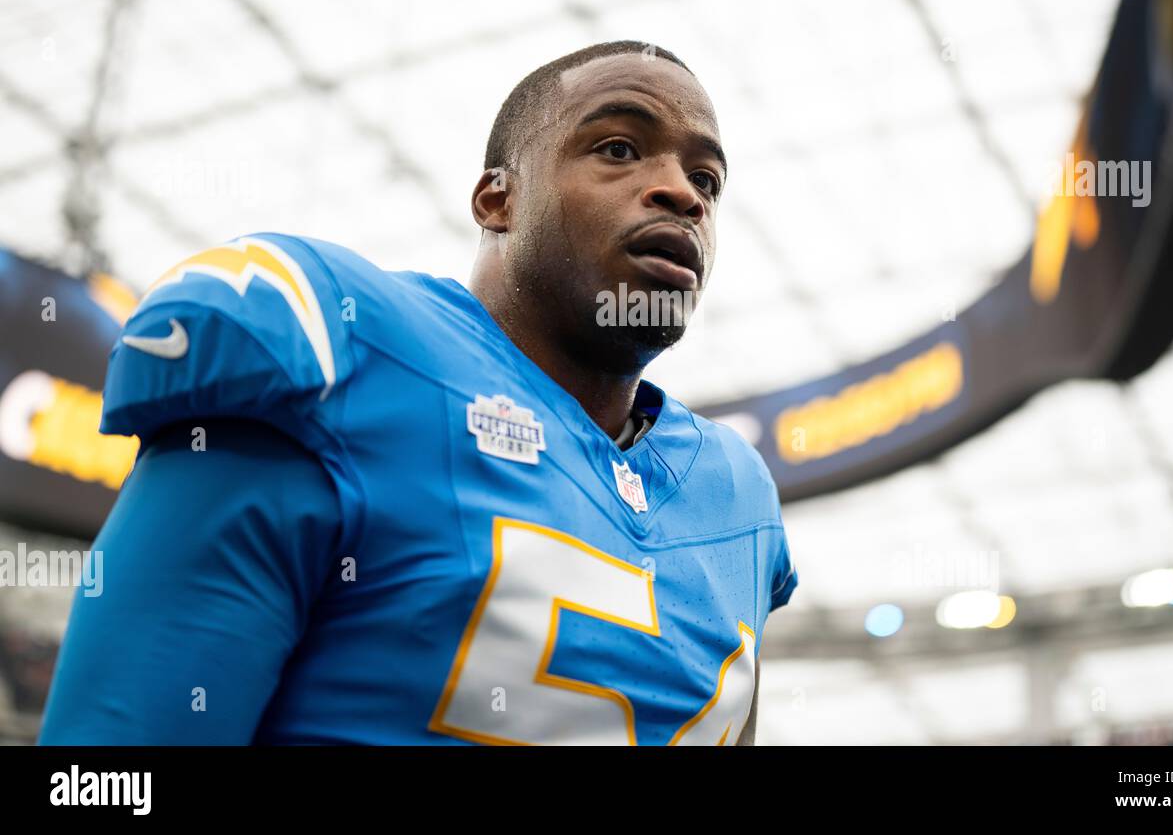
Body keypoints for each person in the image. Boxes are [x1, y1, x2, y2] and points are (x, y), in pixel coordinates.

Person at [40, 40, 798, 745]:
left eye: (707, 180)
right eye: (618, 149)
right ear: (497, 200)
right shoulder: (336, 350)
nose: (681, 193)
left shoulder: (737, 500)